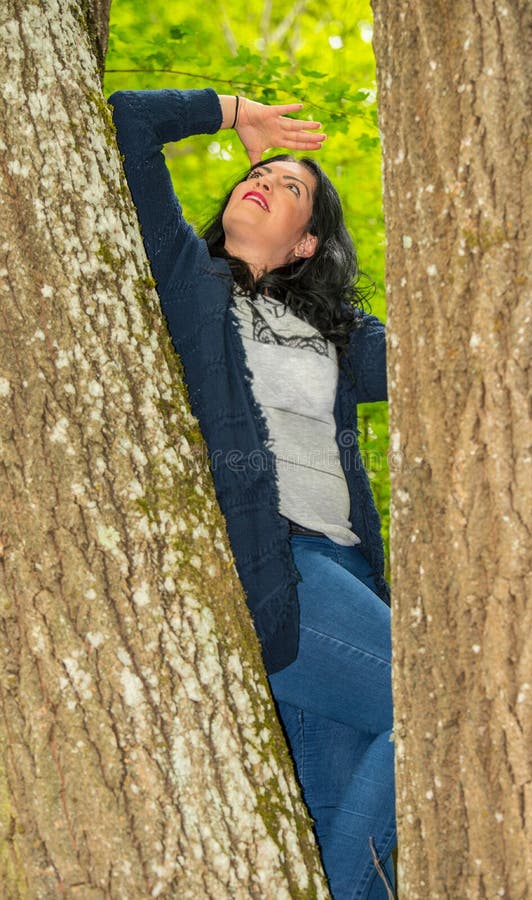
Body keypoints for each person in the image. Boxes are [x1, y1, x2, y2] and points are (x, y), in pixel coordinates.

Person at [109, 86, 396, 899]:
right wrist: (239, 116)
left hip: (342, 571)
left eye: (292, 186)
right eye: (260, 173)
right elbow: (131, 118)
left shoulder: (340, 334)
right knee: (433, 710)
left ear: (306, 243)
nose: (265, 178)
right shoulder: (186, 274)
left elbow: (458, 345)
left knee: (350, 841)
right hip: (270, 562)